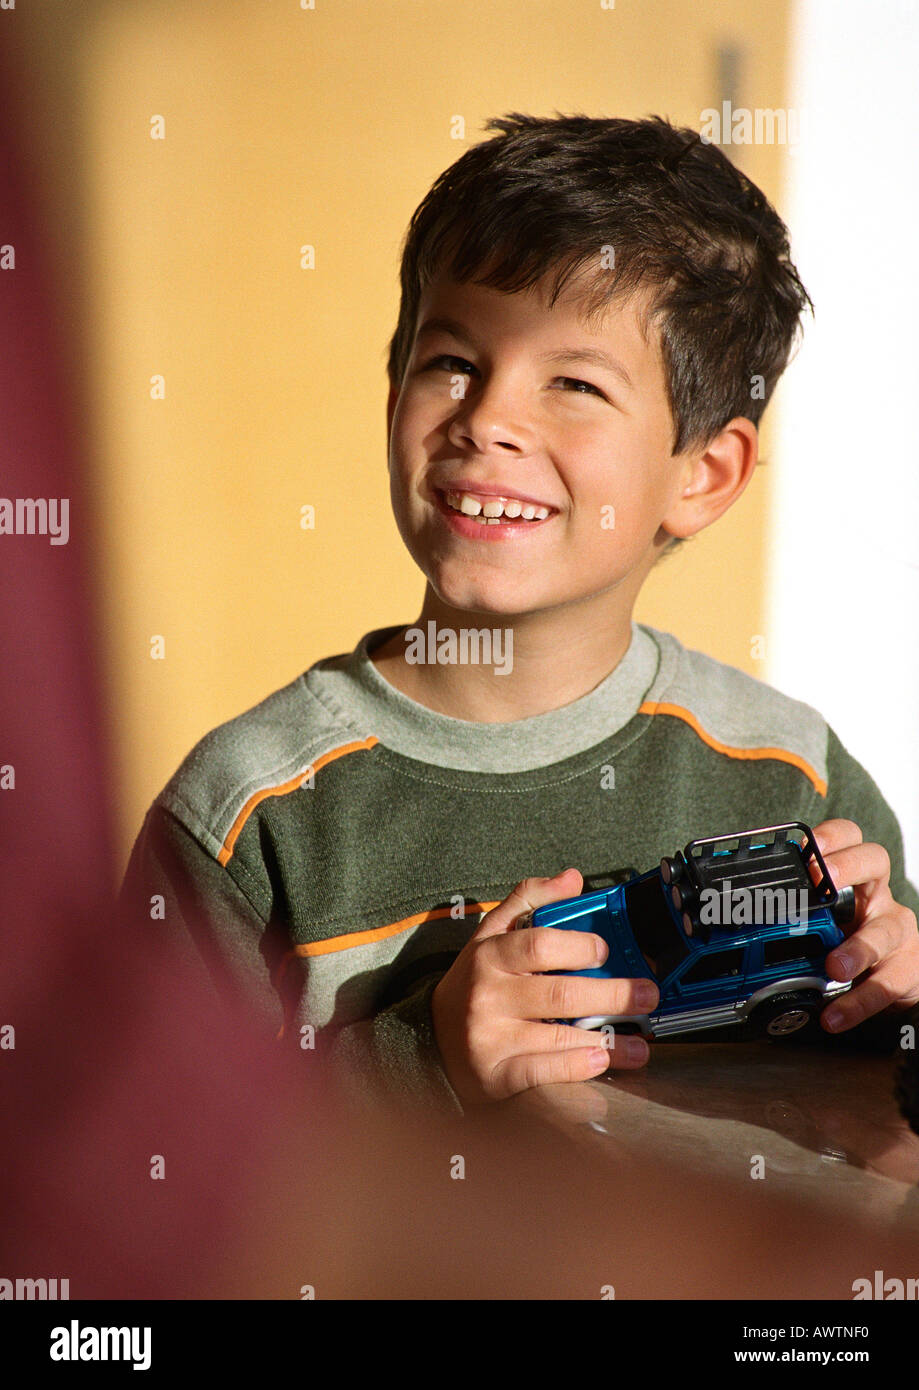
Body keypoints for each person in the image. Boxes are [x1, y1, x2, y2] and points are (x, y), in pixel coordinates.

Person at [120, 113, 919, 1113]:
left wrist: (891, 1001)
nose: (487, 419)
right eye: (451, 361)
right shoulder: (250, 817)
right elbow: (133, 1177)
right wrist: (422, 1055)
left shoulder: (792, 775)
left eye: (574, 383)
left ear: (703, 476)